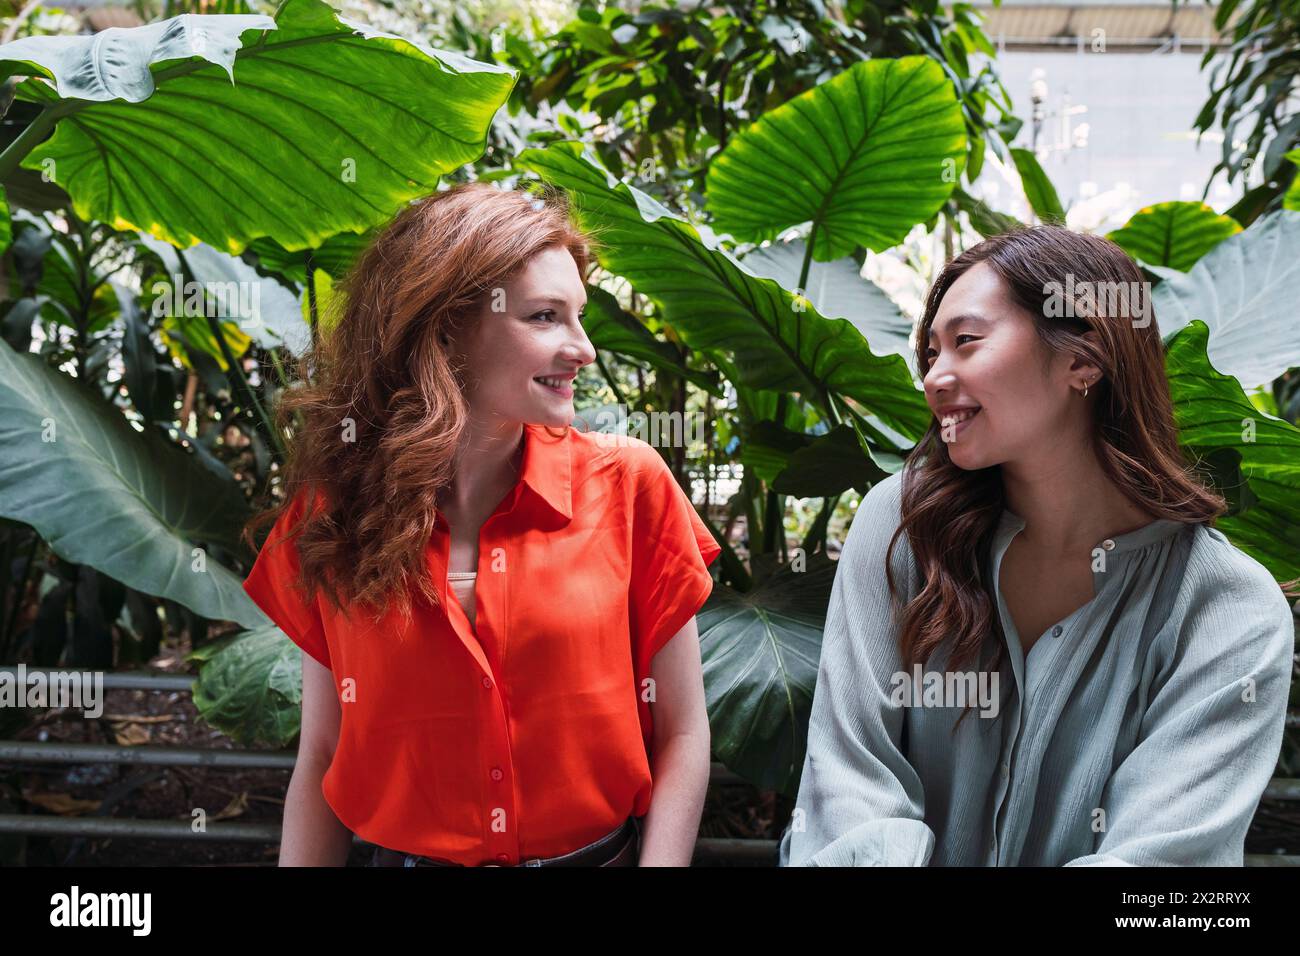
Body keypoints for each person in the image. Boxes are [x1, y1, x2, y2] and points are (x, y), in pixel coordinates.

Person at [779, 224, 1298, 866]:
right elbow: (848, 794)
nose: (934, 378)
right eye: (931, 354)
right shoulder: (902, 524)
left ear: (1083, 359)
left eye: (966, 342)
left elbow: (1160, 869)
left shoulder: (1230, 610)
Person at [241, 182, 721, 867]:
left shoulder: (630, 486)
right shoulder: (333, 510)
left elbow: (682, 733)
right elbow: (322, 751)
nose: (583, 349)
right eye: (546, 316)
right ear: (446, 328)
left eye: (579, 317)